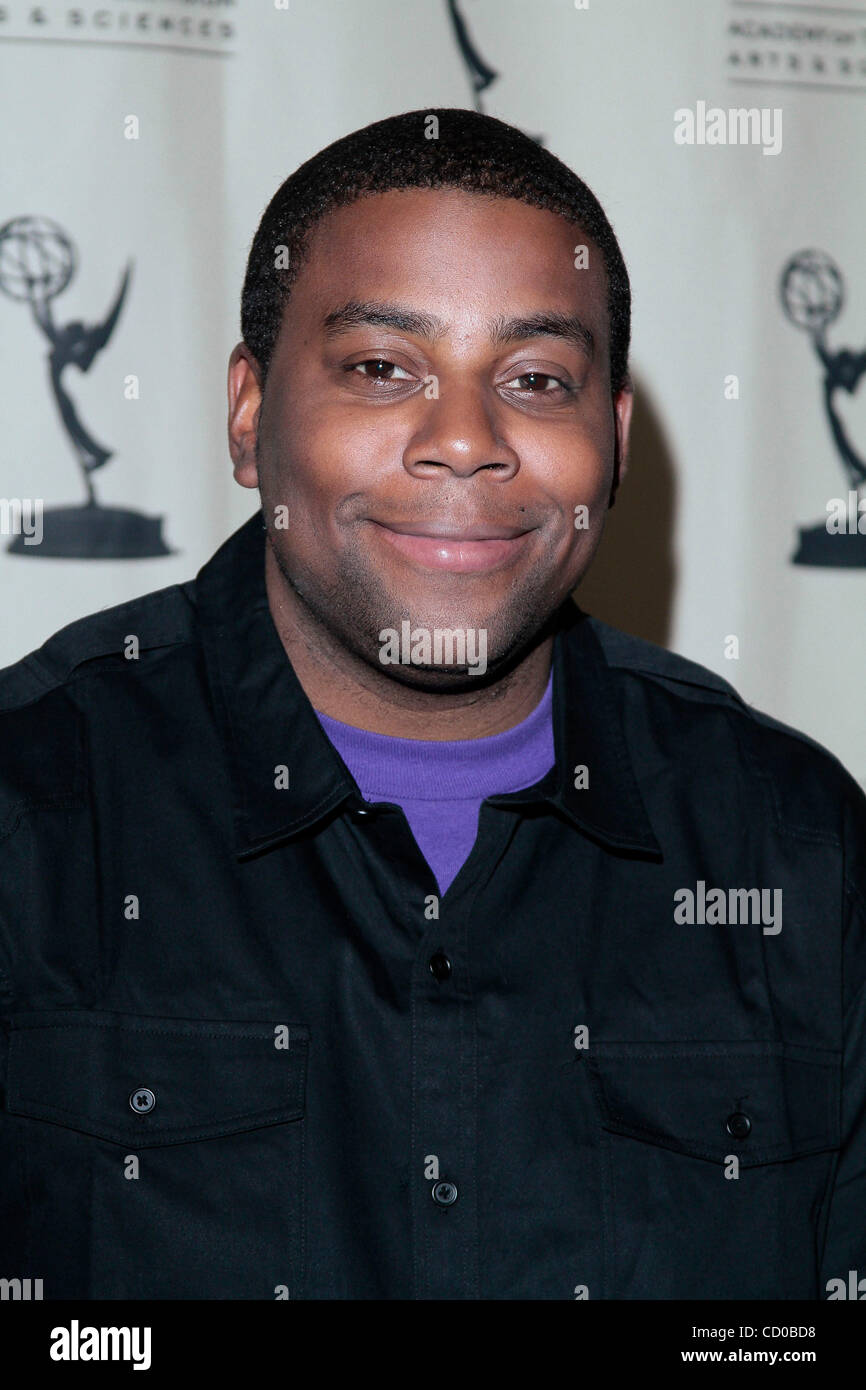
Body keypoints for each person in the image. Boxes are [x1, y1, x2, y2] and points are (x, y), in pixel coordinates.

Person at [0, 107, 863, 1301]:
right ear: (249, 414)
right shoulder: (32, 805)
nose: (464, 441)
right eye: (379, 367)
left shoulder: (791, 838)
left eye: (534, 378)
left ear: (609, 439)